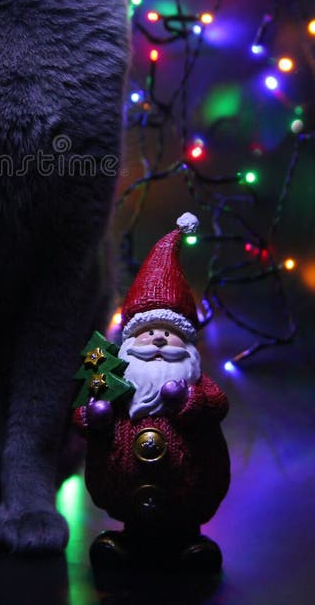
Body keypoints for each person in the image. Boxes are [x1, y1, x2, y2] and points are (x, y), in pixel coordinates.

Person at [74, 214, 230, 572]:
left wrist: (188, 402)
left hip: (187, 494)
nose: (159, 338)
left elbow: (216, 403)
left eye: (168, 332)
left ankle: (189, 547)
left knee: (183, 527)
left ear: (186, 342)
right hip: (124, 494)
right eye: (148, 332)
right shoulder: (113, 376)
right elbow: (85, 412)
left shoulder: (193, 381)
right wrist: (92, 415)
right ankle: (125, 547)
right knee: (130, 529)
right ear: (129, 341)